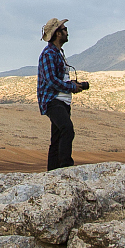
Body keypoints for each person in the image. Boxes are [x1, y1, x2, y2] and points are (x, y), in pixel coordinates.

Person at [35, 17, 90, 170]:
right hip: (53, 100)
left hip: (62, 101)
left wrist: (72, 85)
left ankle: (53, 172)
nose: (67, 32)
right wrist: (71, 87)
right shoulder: (49, 54)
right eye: (64, 29)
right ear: (58, 34)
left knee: (57, 138)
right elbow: (51, 80)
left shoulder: (57, 53)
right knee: (67, 129)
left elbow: (57, 79)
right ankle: (66, 166)